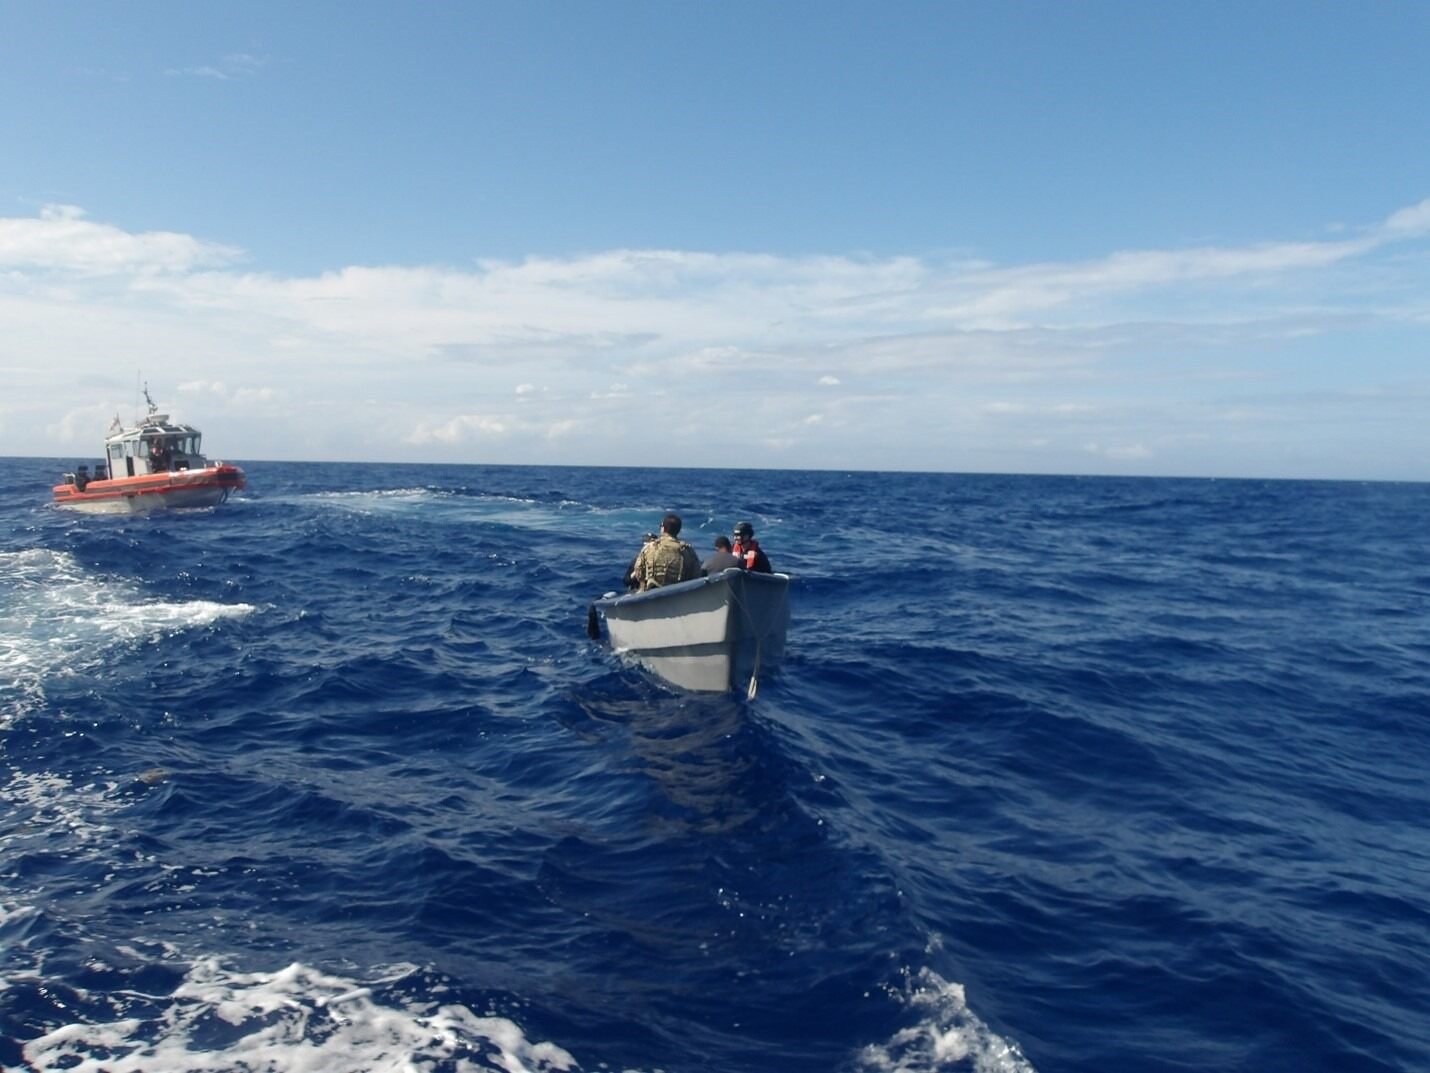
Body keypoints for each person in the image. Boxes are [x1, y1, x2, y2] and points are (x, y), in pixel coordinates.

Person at [630, 513, 701, 591]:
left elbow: (638, 572)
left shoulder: (649, 547)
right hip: (678, 593)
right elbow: (696, 575)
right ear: (679, 530)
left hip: (651, 592)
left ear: (663, 529)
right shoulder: (687, 550)